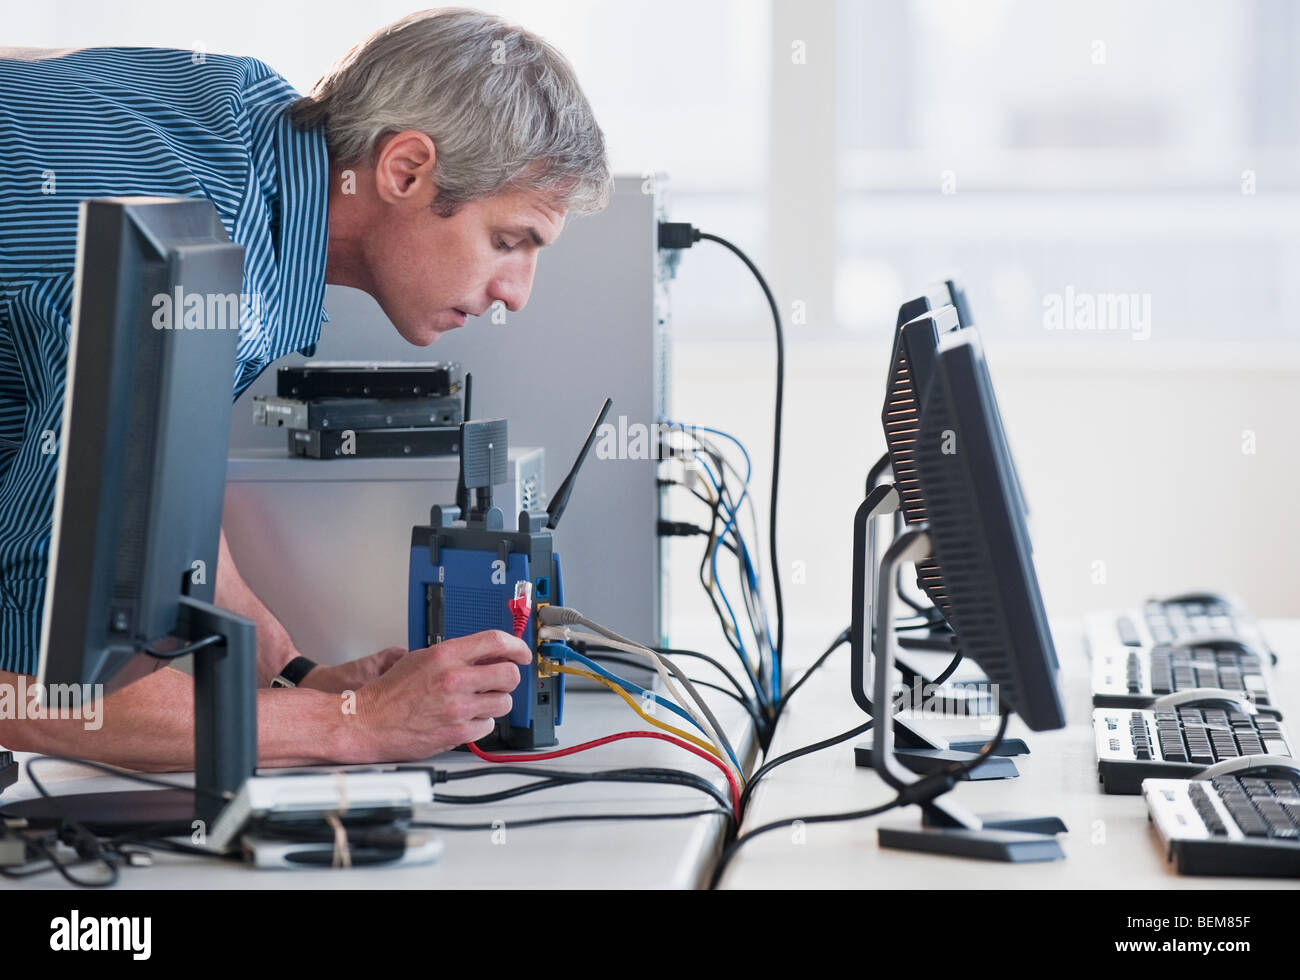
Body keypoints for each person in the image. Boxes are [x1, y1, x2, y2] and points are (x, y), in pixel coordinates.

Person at [0, 8, 611, 769]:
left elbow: (162, 510)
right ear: (405, 169)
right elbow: (41, 695)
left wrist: (301, 678)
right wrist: (354, 727)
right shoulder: (179, 257)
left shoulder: (249, 134)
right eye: (509, 240)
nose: (515, 293)